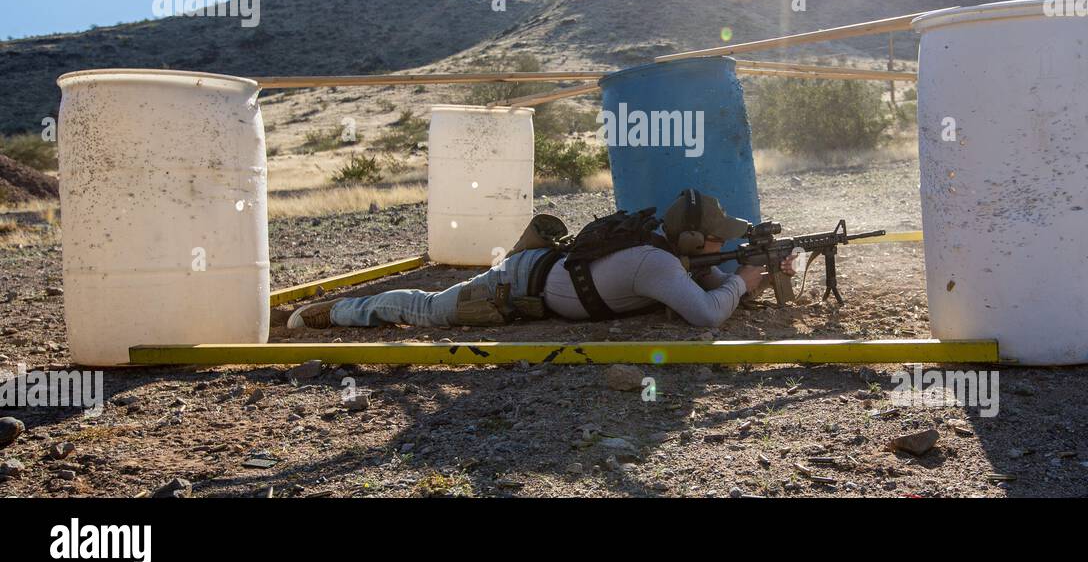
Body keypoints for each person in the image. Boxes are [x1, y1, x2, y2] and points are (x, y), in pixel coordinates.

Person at [288, 189, 795, 331]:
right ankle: (338, 311)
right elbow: (706, 314)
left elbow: (711, 279)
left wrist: (755, 274)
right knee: (427, 311)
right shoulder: (655, 262)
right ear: (687, 240)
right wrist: (747, 282)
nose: (719, 248)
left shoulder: (666, 249)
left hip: (547, 281)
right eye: (713, 241)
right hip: (517, 282)